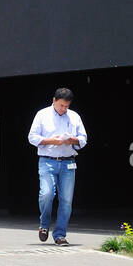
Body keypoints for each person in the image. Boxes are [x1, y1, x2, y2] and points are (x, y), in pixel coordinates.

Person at [27, 87, 88, 245]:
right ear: (54, 101)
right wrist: (51, 141)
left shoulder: (74, 116)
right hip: (47, 160)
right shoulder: (42, 114)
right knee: (46, 194)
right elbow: (32, 137)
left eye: (66, 106)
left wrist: (72, 140)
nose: (63, 109)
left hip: (68, 161)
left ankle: (60, 234)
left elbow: (83, 139)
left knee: (66, 200)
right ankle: (44, 224)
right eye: (61, 105)